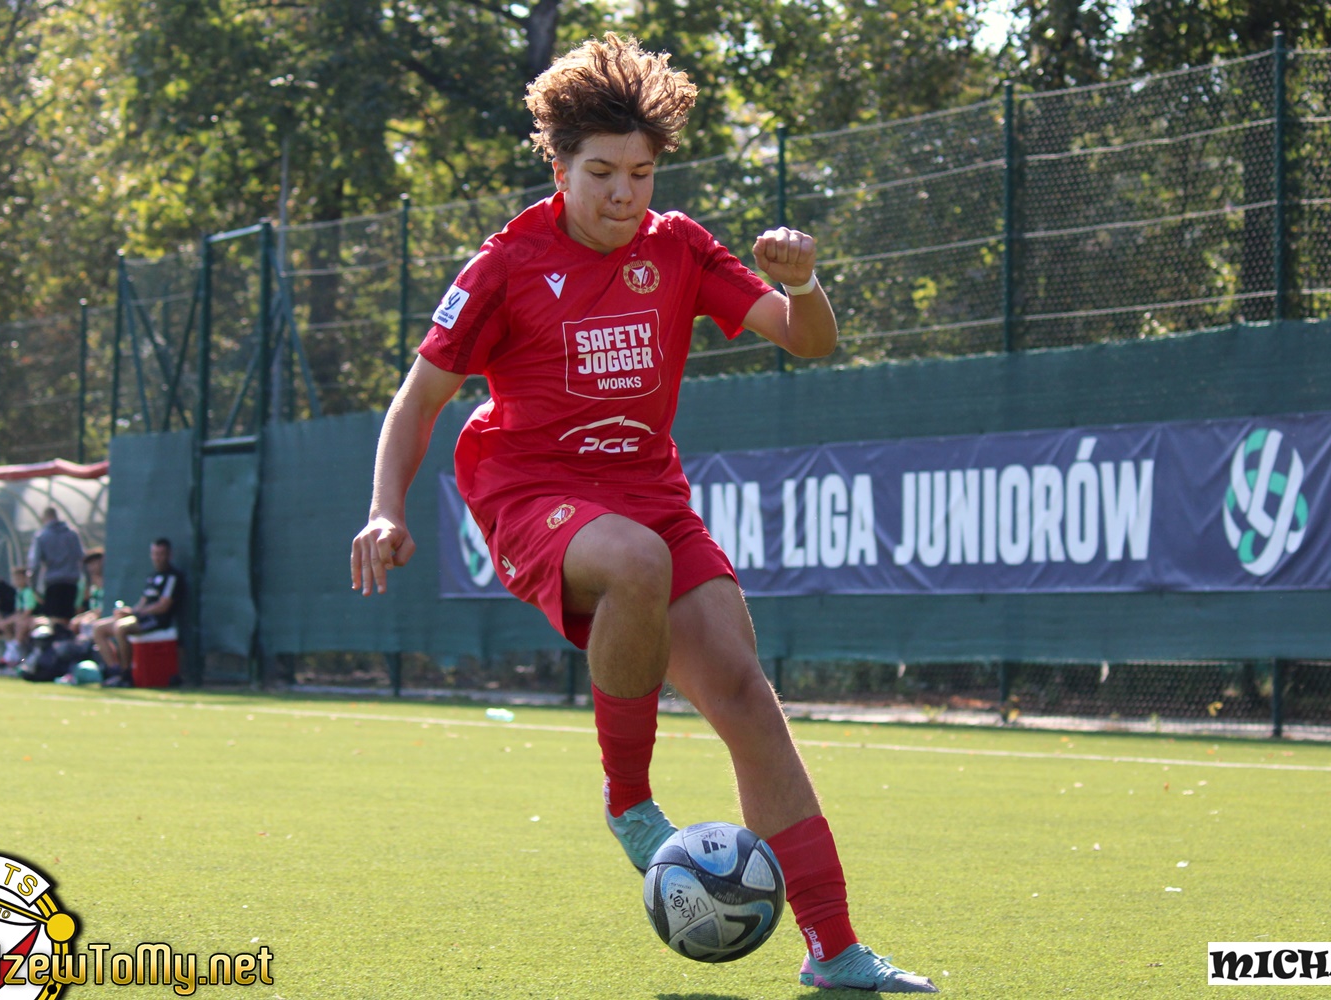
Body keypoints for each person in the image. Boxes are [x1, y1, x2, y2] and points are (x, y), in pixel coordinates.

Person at [351, 34, 937, 994]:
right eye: (601, 173)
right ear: (560, 165)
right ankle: (630, 801)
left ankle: (836, 952)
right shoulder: (504, 266)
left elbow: (808, 343)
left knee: (749, 701)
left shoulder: (678, 247)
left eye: (641, 173)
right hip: (528, 493)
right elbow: (417, 403)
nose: (624, 194)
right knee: (633, 563)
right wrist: (384, 511)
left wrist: (803, 281)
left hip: (649, 496)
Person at [92, 538, 183, 684]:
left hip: (157, 621)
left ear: (168, 555)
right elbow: (143, 602)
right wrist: (129, 611)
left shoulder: (172, 577)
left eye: (161, 554)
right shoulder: (152, 577)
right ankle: (113, 670)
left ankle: (126, 673)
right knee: (98, 628)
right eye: (155, 554)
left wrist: (137, 613)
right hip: (141, 617)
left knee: (121, 628)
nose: (157, 558)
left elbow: (163, 606)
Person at [26, 506, 85, 627]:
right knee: (68, 617)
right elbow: (82, 558)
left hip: (53, 583)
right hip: (71, 582)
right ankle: (66, 642)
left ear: (44, 518)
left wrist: (33, 587)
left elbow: (34, 564)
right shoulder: (72, 534)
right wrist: (88, 583)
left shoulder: (42, 536)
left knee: (53, 619)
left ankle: (57, 642)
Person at [71, 549, 105, 633]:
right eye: (89, 564)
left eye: (95, 562)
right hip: (91, 615)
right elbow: (80, 608)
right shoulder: (87, 585)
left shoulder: (110, 582)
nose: (92, 567)